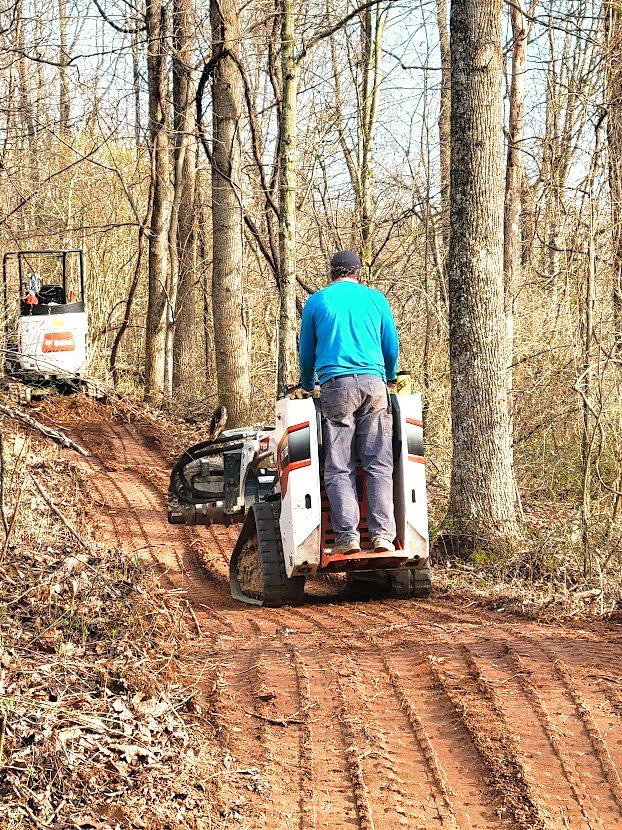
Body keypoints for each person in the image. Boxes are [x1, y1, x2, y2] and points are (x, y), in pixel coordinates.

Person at [299, 250, 399, 555]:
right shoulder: (376, 299)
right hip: (374, 386)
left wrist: (306, 385)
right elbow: (390, 346)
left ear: (332, 273)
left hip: (335, 386)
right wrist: (390, 376)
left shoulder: (317, 301)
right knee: (378, 462)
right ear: (358, 273)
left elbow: (307, 352)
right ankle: (382, 536)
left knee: (339, 465)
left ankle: (348, 537)